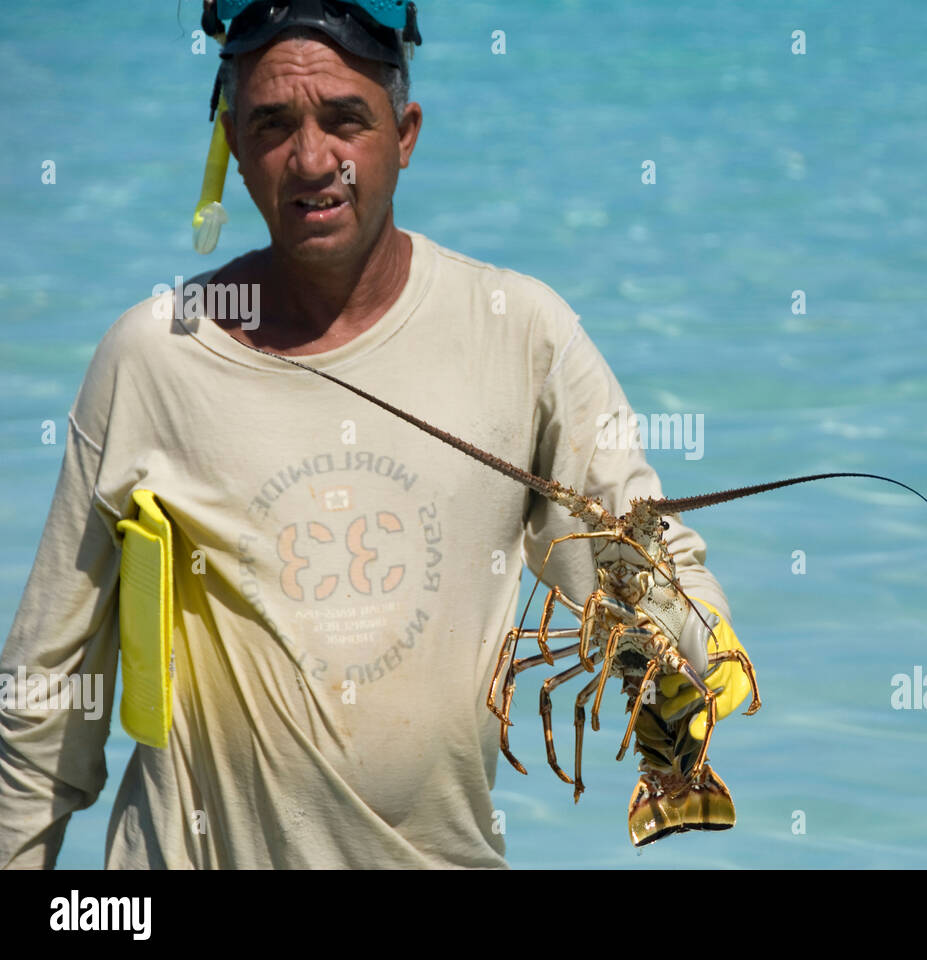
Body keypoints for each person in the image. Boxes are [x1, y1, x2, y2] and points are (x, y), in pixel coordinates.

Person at [0, 0, 752, 869]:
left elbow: (630, 555)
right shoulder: (152, 356)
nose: (312, 159)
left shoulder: (522, 331)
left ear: (405, 133)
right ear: (233, 146)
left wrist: (697, 645)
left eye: (346, 120)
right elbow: (46, 698)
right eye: (272, 124)